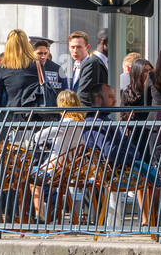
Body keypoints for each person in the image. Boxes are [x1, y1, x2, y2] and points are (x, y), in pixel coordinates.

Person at [29, 90, 88, 220]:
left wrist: (35, 138)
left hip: (56, 167)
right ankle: (49, 214)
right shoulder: (82, 124)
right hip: (70, 168)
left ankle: (40, 215)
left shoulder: (66, 123)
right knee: (44, 182)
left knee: (29, 176)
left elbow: (40, 135)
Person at [0, 29, 49, 109]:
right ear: (26, 44)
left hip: (12, 115)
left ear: (8, 46)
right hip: (33, 115)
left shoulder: (2, 68)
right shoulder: (36, 65)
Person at [69, 30, 107, 107]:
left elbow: (84, 96)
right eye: (72, 47)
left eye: (79, 47)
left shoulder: (91, 63)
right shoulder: (76, 65)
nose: (75, 50)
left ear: (87, 47)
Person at [30, 36, 67, 106]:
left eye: (45, 53)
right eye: (39, 53)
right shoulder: (27, 69)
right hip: (32, 111)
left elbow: (65, 92)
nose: (43, 56)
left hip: (53, 110)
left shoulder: (57, 69)